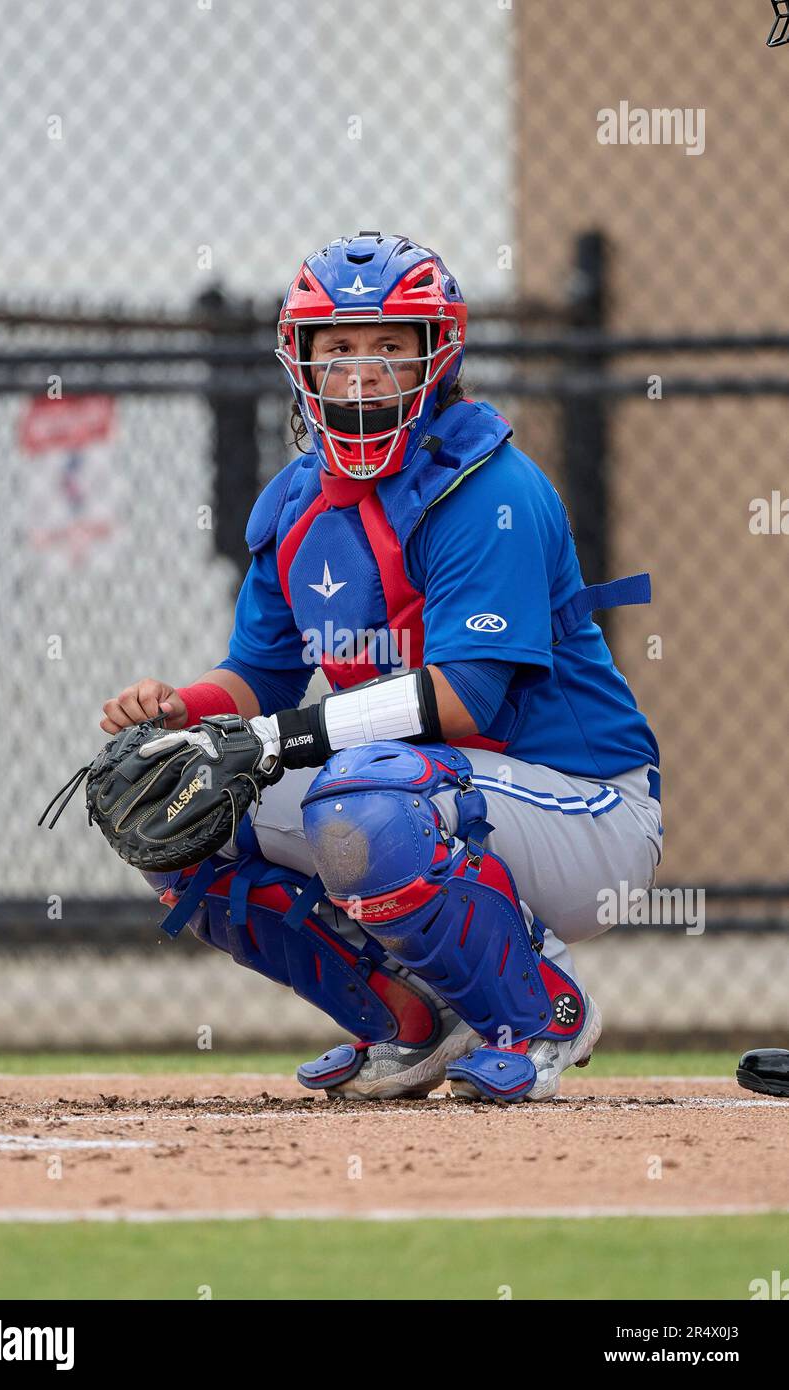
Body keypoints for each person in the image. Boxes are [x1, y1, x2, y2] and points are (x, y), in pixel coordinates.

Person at [101, 232, 662, 1103]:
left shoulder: (488, 488)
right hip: (417, 783)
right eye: (339, 348)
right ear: (302, 361)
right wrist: (186, 711)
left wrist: (275, 738)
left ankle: (538, 1011)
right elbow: (261, 672)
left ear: (439, 356)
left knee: (367, 798)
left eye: (391, 345)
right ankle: (406, 1023)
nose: (362, 371)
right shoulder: (294, 500)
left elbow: (466, 700)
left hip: (588, 811)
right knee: (177, 808)